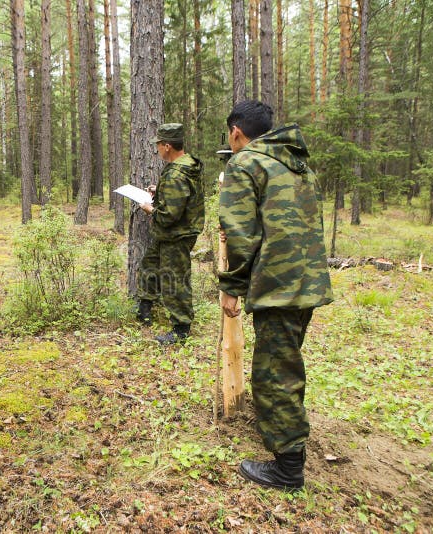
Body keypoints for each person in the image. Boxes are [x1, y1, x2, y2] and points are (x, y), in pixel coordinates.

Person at [218, 100, 333, 490]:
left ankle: (287, 468)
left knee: (274, 375)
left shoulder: (245, 163)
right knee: (286, 362)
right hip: (307, 282)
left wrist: (232, 287)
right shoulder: (296, 162)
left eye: (230, 136)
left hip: (276, 286)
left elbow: (241, 234)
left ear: (236, 131)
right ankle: (288, 436)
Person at [136, 123, 205, 344]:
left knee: (175, 279)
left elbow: (169, 215)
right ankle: (146, 308)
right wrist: (162, 191)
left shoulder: (177, 172)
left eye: (158, 145)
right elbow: (183, 195)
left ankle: (181, 328)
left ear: (167, 146)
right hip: (173, 232)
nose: (157, 149)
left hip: (177, 233)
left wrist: (150, 209)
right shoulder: (184, 166)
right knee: (150, 263)